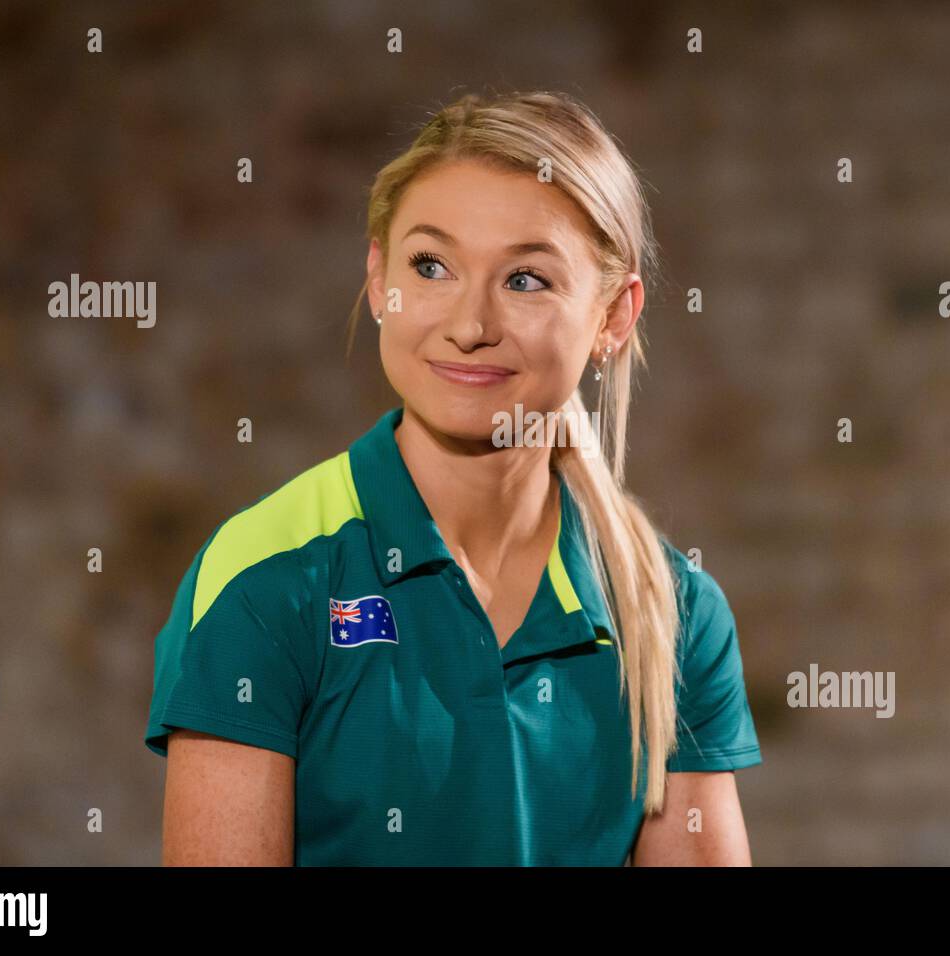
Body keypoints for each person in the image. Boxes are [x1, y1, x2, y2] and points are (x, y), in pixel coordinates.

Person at [144, 90, 763, 865]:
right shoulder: (267, 576)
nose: (470, 325)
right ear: (378, 278)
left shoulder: (672, 616)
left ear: (614, 317)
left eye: (527, 279)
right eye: (431, 266)